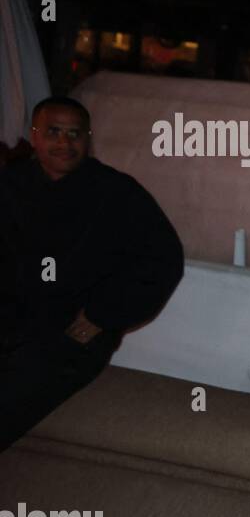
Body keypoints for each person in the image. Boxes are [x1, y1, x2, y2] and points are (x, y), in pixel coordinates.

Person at [0, 96, 183, 450]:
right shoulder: (10, 186)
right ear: (34, 136)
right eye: (54, 132)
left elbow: (163, 258)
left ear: (88, 139)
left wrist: (105, 314)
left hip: (67, 338)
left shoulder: (115, 193)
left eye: (75, 134)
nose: (64, 143)